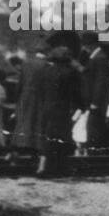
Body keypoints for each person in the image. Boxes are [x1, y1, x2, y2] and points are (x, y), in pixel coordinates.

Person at [34, 44, 85, 177]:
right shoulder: (71, 72)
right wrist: (80, 106)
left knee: (48, 138)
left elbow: (40, 90)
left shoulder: (46, 71)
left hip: (46, 108)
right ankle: (60, 168)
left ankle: (42, 167)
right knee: (62, 139)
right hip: (62, 109)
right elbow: (76, 93)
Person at [80, 31, 109, 153]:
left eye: (85, 45)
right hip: (94, 101)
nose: (84, 48)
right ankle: (93, 153)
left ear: (91, 45)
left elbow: (100, 82)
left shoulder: (100, 58)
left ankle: (93, 155)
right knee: (93, 129)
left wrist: (95, 102)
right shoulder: (96, 57)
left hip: (97, 103)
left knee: (94, 129)